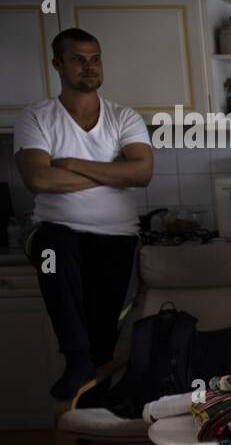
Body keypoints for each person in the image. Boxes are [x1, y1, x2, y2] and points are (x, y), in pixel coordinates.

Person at [14, 28, 153, 405]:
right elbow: (39, 179)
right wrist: (110, 171)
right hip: (55, 233)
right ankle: (74, 359)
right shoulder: (37, 117)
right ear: (58, 64)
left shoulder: (123, 117)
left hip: (116, 238)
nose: (88, 66)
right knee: (53, 254)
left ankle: (90, 426)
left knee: (104, 335)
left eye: (95, 58)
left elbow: (141, 173)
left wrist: (72, 164)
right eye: (78, 58)